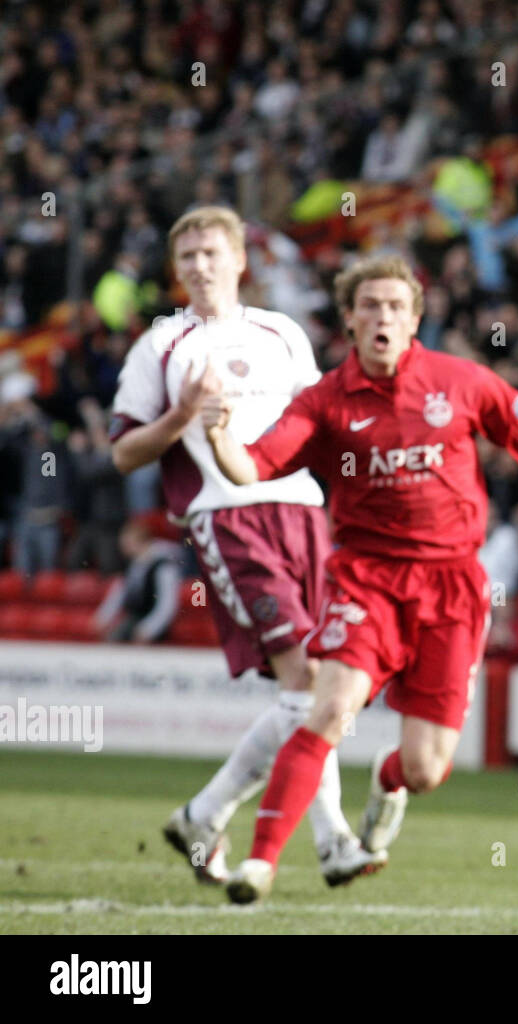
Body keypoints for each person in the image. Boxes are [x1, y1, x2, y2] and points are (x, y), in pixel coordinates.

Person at [199, 255, 518, 903]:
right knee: (329, 709)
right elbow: (251, 467)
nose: (382, 316)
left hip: (452, 588)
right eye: (369, 305)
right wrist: (221, 434)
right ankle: (262, 862)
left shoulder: (463, 381)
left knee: (424, 770)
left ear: (415, 318)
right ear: (349, 320)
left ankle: (388, 784)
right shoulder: (325, 401)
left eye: (395, 305)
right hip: (367, 581)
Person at [109, 206, 381, 888]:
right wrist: (179, 417)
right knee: (305, 680)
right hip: (224, 517)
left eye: (210, 253)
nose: (199, 266)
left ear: (239, 261)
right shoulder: (161, 346)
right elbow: (122, 454)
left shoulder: (280, 333)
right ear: (177, 271)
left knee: (317, 686)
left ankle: (207, 813)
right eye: (188, 257)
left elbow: (317, 424)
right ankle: (332, 840)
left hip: (304, 514)